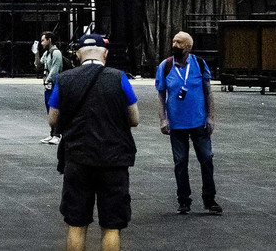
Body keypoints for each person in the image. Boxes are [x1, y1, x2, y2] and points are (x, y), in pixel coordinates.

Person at [47, 33, 140, 251]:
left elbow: (53, 119)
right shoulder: (119, 78)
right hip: (114, 159)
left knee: (76, 223)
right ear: (105, 53)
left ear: (78, 55)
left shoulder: (64, 79)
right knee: (111, 226)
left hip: (77, 158)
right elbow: (134, 119)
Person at [153, 32, 220, 215]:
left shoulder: (199, 64)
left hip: (199, 122)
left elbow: (208, 92)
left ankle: (210, 200)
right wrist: (163, 119)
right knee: (180, 162)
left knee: (206, 159)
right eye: (173, 41)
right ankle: (184, 200)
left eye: (179, 42)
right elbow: (161, 95)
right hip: (176, 124)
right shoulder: (165, 66)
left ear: (188, 47)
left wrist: (211, 117)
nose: (174, 44)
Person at [35, 31, 65, 144]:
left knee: (55, 109)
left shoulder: (56, 53)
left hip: (55, 85)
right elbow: (38, 65)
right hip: (48, 85)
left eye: (43, 40)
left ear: (49, 40)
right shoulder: (47, 53)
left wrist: (47, 81)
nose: (42, 43)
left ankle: (57, 134)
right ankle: (52, 133)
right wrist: (36, 53)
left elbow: (55, 70)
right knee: (49, 108)